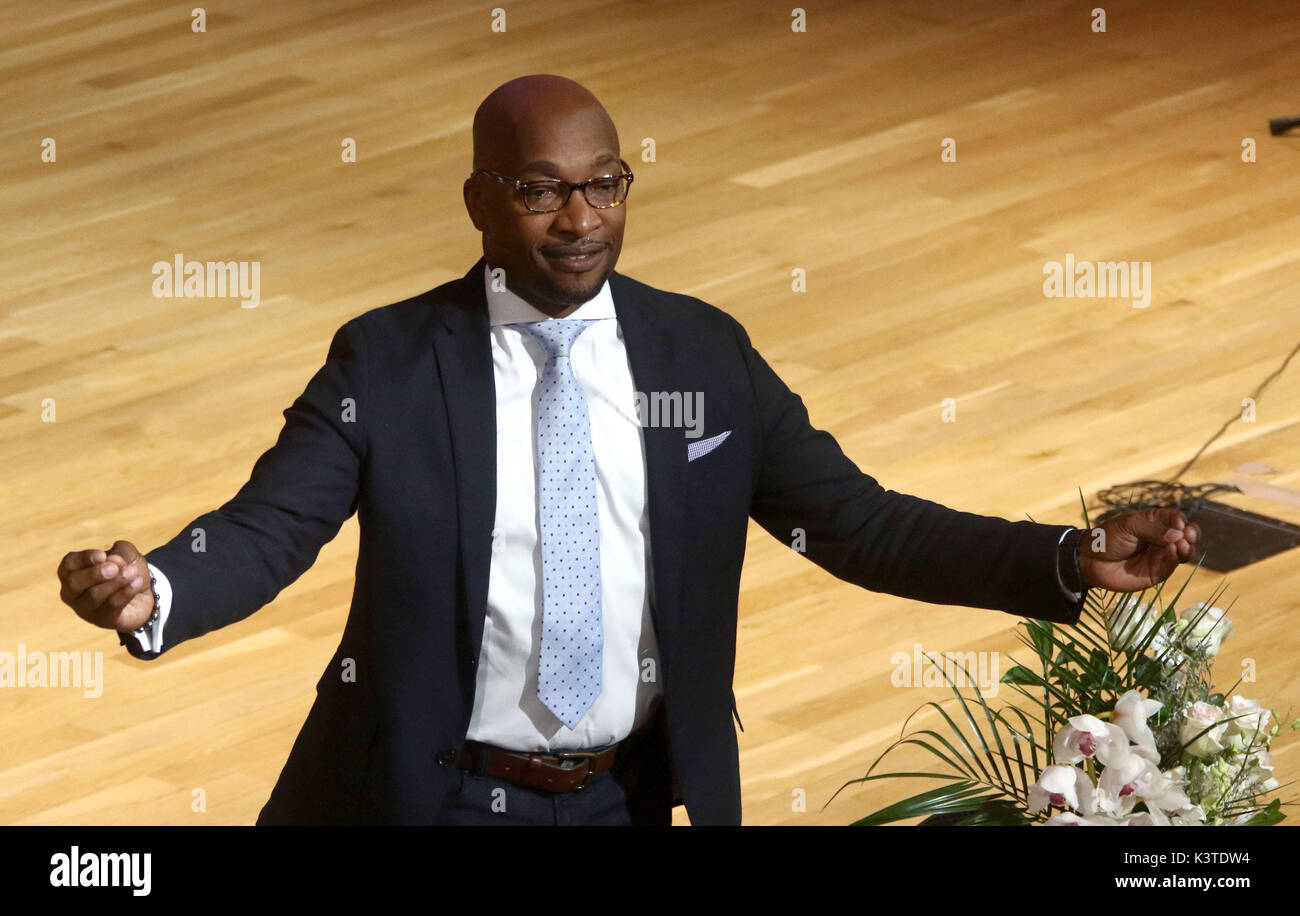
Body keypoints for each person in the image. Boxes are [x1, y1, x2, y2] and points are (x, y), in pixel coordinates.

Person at [55, 74, 1201, 826]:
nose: (581, 219)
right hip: (432, 794)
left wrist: (1068, 554)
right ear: (478, 201)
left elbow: (856, 521)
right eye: (543, 190)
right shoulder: (390, 362)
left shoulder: (699, 353)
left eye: (604, 184)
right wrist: (156, 583)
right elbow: (273, 523)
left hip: (623, 796)